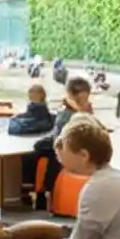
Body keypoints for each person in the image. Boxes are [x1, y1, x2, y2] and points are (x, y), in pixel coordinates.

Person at [32, 77, 95, 211]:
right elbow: (60, 140)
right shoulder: (66, 115)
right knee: (49, 155)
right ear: (70, 97)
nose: (83, 103)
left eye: (86, 99)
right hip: (64, 147)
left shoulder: (82, 113)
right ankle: (46, 193)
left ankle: (45, 193)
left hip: (73, 149)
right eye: (79, 100)